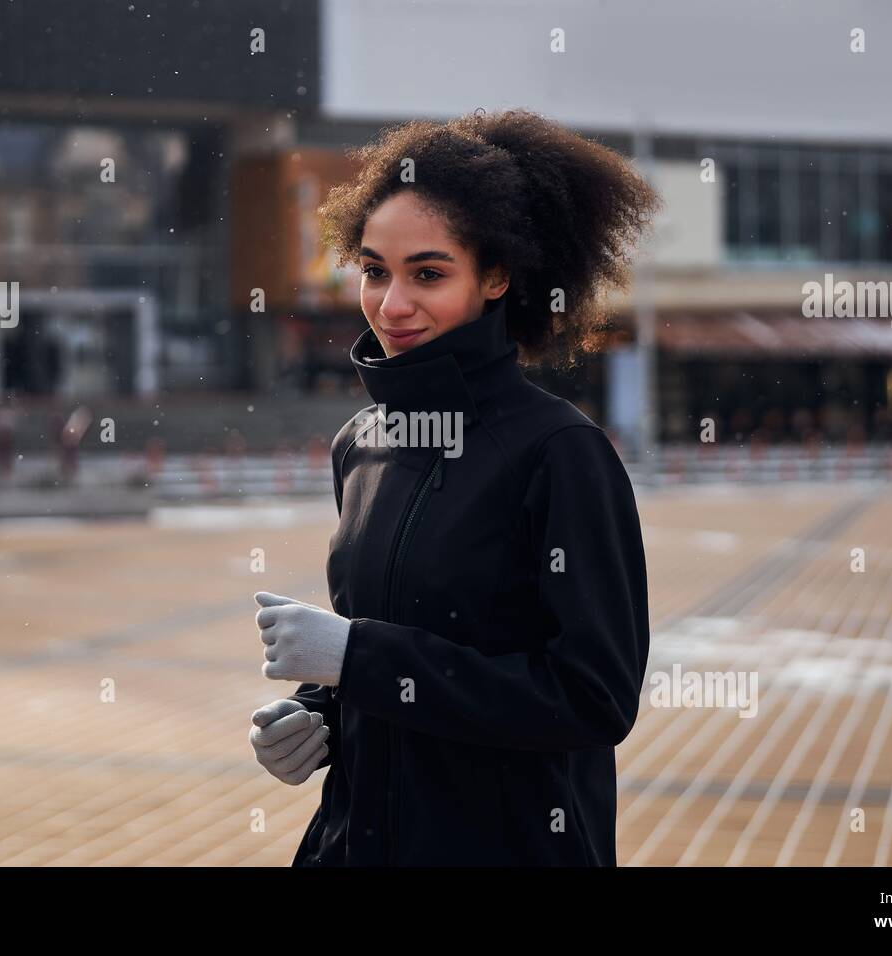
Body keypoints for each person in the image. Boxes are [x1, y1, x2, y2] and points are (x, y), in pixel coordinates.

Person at [248, 108, 658, 866]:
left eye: (427, 274)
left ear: (496, 276)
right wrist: (321, 717)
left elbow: (591, 697)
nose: (391, 304)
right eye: (375, 270)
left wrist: (358, 659)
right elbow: (396, 651)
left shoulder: (560, 452)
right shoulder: (360, 446)